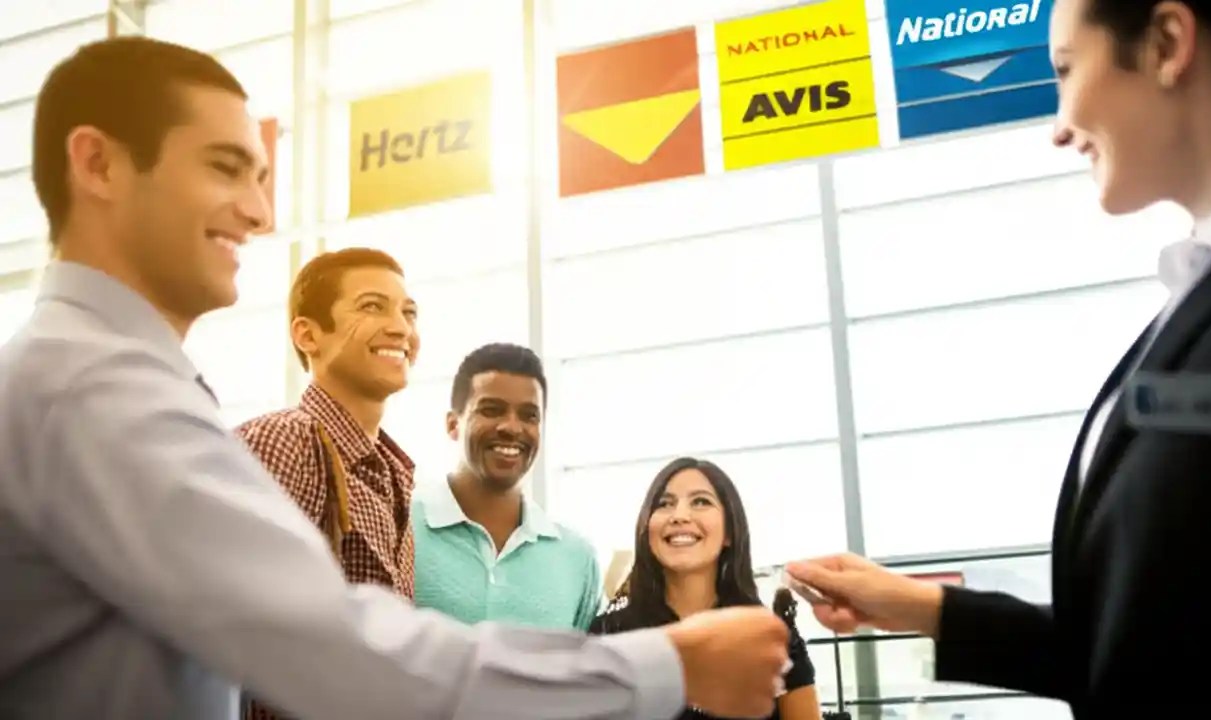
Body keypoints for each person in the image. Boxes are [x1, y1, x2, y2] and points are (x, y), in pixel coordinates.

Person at [0, 36, 791, 720]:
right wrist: (668, 665)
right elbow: (331, 651)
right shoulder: (97, 392)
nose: (258, 211)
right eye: (223, 167)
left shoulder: (121, 384)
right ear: (98, 163)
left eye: (263, 176)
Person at [785, 0, 1211, 716]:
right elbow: (1128, 645)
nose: (1058, 129)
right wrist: (915, 606)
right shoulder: (1203, 294)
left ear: (1167, 44)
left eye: (1067, 70)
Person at [235, 247, 420, 720]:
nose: (401, 327)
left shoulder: (394, 477)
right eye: (372, 306)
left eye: (408, 312)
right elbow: (246, 631)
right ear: (308, 334)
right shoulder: (288, 440)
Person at [590, 458, 821, 720]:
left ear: (729, 533)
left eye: (701, 501)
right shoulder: (608, 639)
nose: (679, 516)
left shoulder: (773, 639)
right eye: (664, 504)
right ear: (647, 528)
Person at [412, 343, 603, 630]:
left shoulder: (577, 560)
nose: (512, 428)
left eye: (530, 416)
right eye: (491, 410)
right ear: (453, 425)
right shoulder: (400, 528)